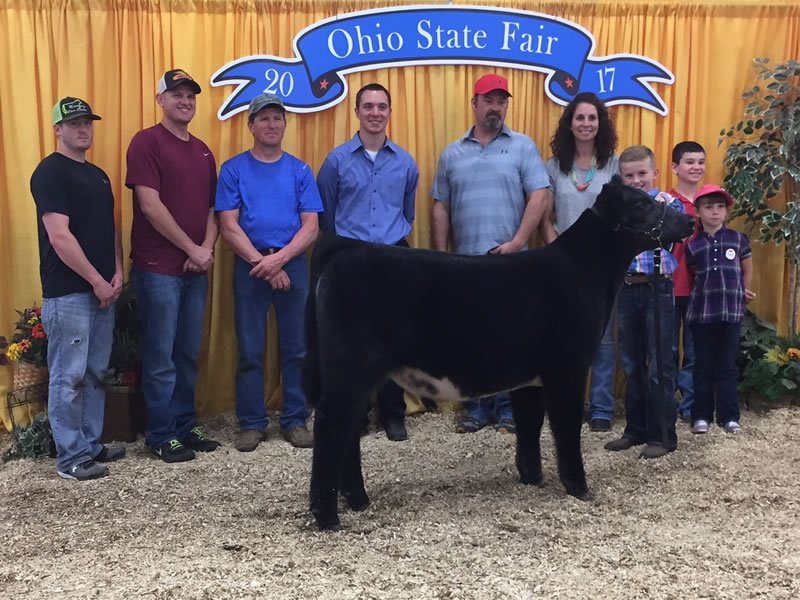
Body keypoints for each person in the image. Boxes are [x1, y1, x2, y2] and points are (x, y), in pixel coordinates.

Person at [431, 73, 550, 434]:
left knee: (511, 337)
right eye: (489, 100)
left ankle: (507, 409)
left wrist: (517, 241)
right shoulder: (452, 152)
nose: (495, 107)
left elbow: (540, 196)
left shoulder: (522, 146)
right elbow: (440, 205)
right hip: (465, 262)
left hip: (511, 261)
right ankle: (474, 408)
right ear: (474, 104)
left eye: (501, 100)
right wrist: (441, 256)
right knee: (469, 336)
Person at [216, 93, 322, 451]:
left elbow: (311, 227)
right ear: (250, 125)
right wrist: (263, 263)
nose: (272, 125)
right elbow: (228, 226)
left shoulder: (300, 170)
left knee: (297, 348)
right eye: (264, 119)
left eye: (278, 118)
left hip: (291, 264)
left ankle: (295, 420)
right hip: (250, 265)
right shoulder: (233, 170)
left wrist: (279, 260)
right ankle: (251, 422)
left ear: (285, 124)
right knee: (249, 348)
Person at [126, 69, 221, 463]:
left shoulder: (203, 150)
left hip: (195, 268)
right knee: (161, 356)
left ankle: (185, 424)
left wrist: (206, 247)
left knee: (187, 353)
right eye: (176, 94)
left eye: (190, 95)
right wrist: (192, 247)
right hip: (158, 268)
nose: (185, 100)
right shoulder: (145, 142)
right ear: (160, 99)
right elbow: (150, 205)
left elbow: (216, 209)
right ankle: (161, 433)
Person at [316, 82, 419, 442]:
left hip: (394, 256)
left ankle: (393, 414)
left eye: (382, 107)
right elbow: (327, 215)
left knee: (396, 337)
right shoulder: (336, 161)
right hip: (351, 258)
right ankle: (354, 413)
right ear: (356, 112)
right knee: (351, 341)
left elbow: (407, 210)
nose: (375, 113)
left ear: (390, 113)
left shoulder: (406, 162)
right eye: (368, 106)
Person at [31, 97, 125, 480]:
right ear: (57, 129)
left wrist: (117, 272)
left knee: (95, 371)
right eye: (74, 123)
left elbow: (111, 229)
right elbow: (59, 236)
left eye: (87, 122)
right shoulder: (50, 173)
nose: (82, 128)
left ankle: (89, 442)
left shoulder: (99, 175)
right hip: (70, 291)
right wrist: (97, 280)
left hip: (103, 289)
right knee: (68, 374)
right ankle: (70, 456)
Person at [539, 92, 620, 432]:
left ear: (600, 124)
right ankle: (564, 404)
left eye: (592, 118)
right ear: (569, 124)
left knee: (601, 337)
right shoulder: (555, 166)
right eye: (579, 118)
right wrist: (558, 252)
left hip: (602, 266)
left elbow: (622, 215)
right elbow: (545, 218)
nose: (586, 124)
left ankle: (601, 407)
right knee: (561, 338)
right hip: (564, 267)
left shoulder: (614, 165)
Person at [604, 145, 683, 459]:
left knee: (659, 365)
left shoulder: (666, 204)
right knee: (632, 363)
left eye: (642, 174)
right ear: (621, 178)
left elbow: (677, 235)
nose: (636, 180)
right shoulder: (618, 208)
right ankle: (635, 430)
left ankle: (663, 435)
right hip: (626, 287)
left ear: (655, 173)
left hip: (656, 288)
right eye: (629, 176)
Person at [686, 185, 755, 435]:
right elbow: (694, 275)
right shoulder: (692, 246)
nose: (715, 212)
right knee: (702, 365)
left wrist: (745, 291)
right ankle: (701, 415)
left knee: (727, 366)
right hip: (702, 313)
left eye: (719, 206)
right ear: (698, 212)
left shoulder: (738, 239)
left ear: (726, 211)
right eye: (708, 207)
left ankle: (729, 416)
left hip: (731, 312)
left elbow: (747, 267)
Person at [668, 141, 706, 423]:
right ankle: (666, 406)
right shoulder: (664, 202)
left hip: (700, 290)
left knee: (694, 352)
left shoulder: (711, 201)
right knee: (667, 351)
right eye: (690, 162)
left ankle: (690, 407)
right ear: (675, 167)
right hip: (668, 287)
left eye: (701, 162)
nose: (696, 167)